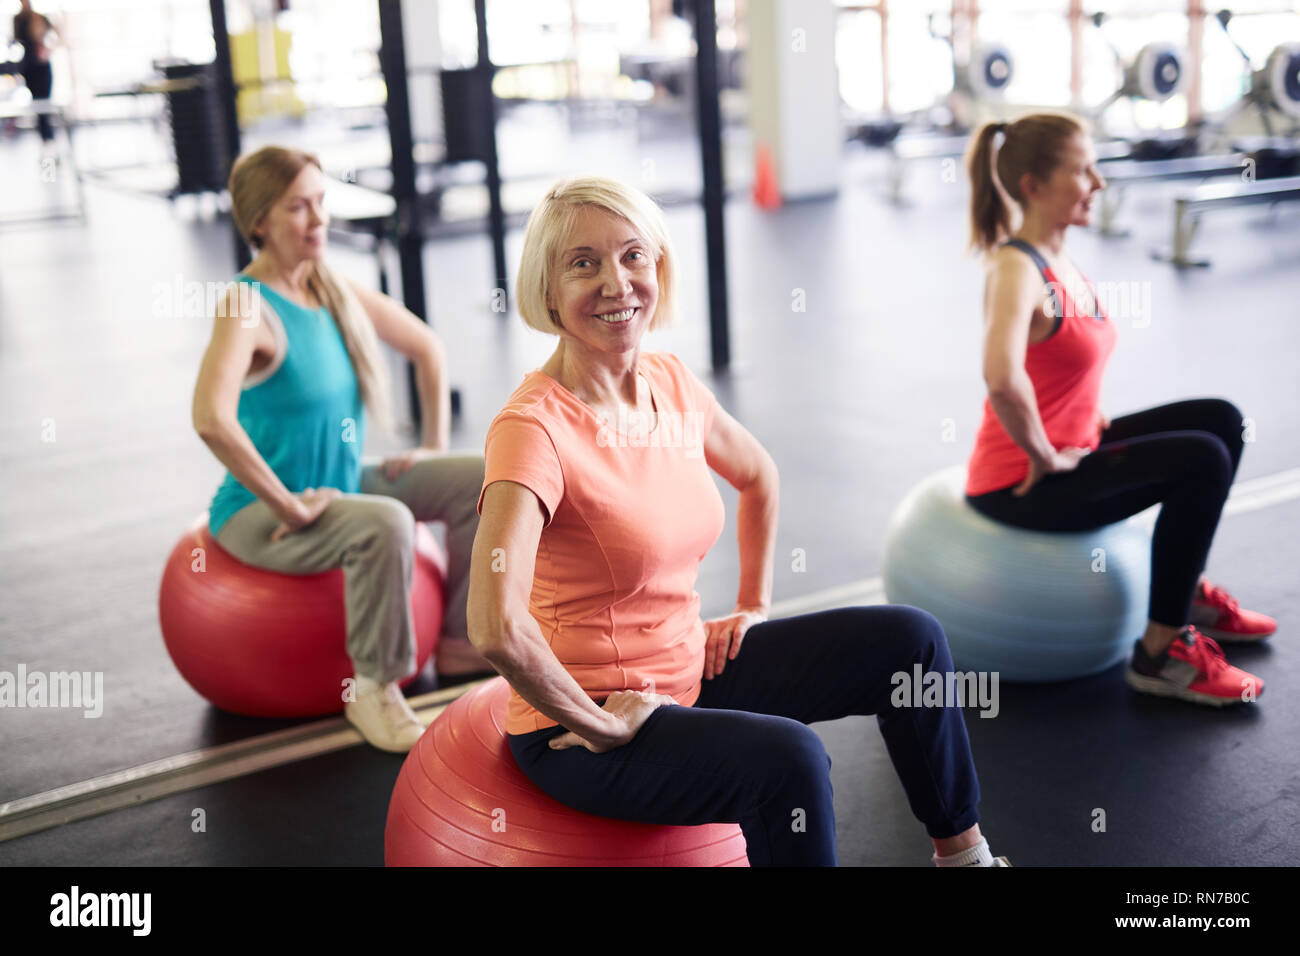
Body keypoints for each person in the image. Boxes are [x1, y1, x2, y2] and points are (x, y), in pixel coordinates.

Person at [467, 176, 1009, 866]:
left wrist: (752, 606)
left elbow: (758, 476)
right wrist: (598, 724)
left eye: (634, 256)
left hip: (686, 673)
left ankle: (965, 858)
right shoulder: (532, 430)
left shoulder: (668, 383)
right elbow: (493, 624)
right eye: (584, 263)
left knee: (912, 643)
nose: (617, 282)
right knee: (791, 761)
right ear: (546, 290)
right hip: (582, 729)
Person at [962, 112, 1275, 708]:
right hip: (1020, 484)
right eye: (1083, 171)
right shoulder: (1014, 268)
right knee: (1202, 458)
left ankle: (1185, 597)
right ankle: (1160, 654)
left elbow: (1060, 361)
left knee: (1221, 418)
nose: (1099, 183)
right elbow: (1000, 376)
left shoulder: (1060, 256)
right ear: (1033, 185)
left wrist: (1085, 414)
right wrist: (1042, 453)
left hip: (1074, 445)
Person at [191, 146, 488, 752]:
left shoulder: (331, 288)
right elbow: (210, 418)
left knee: (477, 477)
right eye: (297, 207)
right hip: (258, 510)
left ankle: (458, 644)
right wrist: (286, 506)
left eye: (321, 202)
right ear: (259, 223)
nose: (318, 219)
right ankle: (374, 691)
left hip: (341, 481)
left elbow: (428, 348)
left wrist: (430, 448)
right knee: (386, 523)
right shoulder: (247, 306)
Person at [12, 0, 56, 152]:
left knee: (45, 110)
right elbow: (16, 41)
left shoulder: (39, 17)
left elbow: (54, 33)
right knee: (38, 110)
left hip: (42, 67)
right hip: (28, 68)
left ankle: (49, 147)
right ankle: (46, 147)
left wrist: (46, 50)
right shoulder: (18, 19)